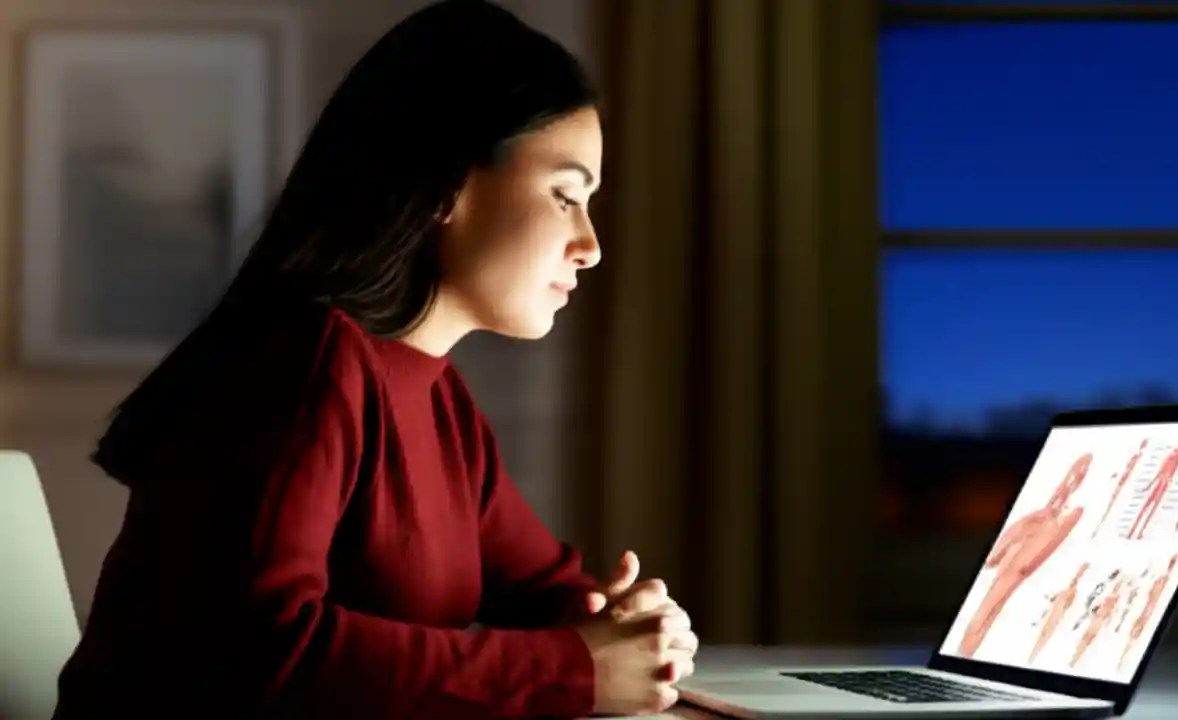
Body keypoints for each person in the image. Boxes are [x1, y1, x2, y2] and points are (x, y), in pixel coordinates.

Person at [52, 1, 696, 718]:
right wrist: (574, 668)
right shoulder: (309, 364)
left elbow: (552, 592)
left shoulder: (440, 403)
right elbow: (265, 649)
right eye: (566, 195)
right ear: (448, 185)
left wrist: (628, 623)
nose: (590, 244)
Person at [958, 452, 1089, 658]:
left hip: (1019, 568)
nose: (1074, 480)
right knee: (988, 608)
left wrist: (1022, 564)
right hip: (1013, 565)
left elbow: (1047, 544)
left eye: (1080, 474)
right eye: (1074, 473)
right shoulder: (1042, 514)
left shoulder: (1061, 516)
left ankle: (966, 652)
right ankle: (964, 652)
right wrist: (997, 555)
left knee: (992, 608)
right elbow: (1015, 532)